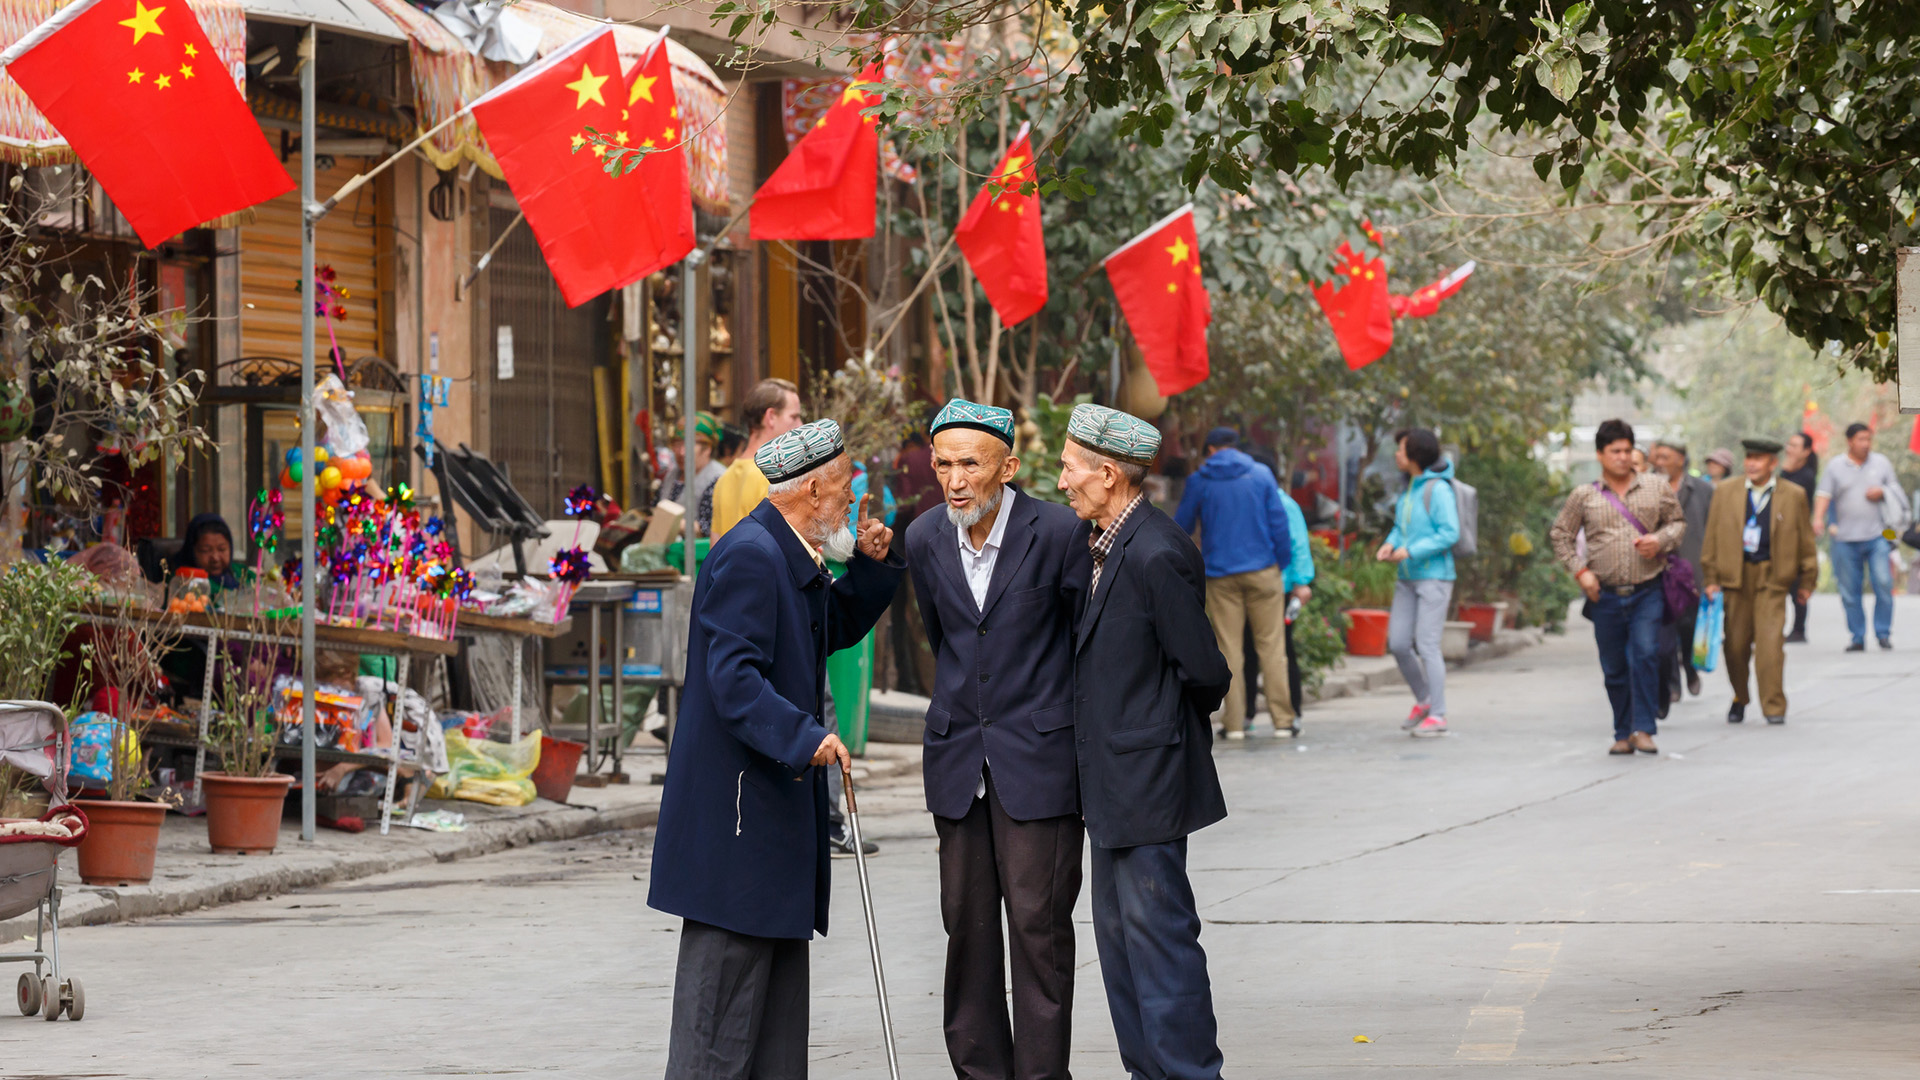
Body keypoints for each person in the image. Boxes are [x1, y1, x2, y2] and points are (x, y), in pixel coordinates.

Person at [649, 419, 903, 1080]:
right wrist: (806, 735)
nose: (851, 501)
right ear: (812, 489)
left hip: (771, 825)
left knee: (774, 1033)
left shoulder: (788, 553)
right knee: (720, 1029)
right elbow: (731, 677)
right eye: (845, 487)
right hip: (736, 827)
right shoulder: (751, 555)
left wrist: (872, 571)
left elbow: (824, 630)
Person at [905, 399, 1091, 1080]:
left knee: (1039, 932)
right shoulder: (924, 536)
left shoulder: (1061, 532)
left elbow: (1081, 641)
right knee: (967, 929)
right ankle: (979, 1072)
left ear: (1007, 468)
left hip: (1038, 763)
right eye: (944, 464)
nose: (955, 479)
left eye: (971, 465)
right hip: (958, 760)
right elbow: (944, 633)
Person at [1056, 403, 1231, 1080]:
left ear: (1108, 474)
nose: (1062, 480)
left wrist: (1154, 733)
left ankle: (1189, 1072)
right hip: (1110, 785)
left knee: (1160, 944)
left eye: (1071, 468)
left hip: (1149, 784)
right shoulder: (1101, 545)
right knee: (1121, 946)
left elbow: (1205, 671)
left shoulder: (1158, 553)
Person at [1549, 420, 1684, 755]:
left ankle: (1644, 728)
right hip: (1604, 594)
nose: (1623, 457)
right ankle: (1622, 732)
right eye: (1615, 451)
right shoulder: (1584, 496)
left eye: (1627, 450)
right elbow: (1560, 536)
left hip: (1647, 589)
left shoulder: (1655, 487)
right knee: (1614, 666)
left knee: (1646, 654)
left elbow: (1677, 523)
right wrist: (1580, 572)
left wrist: (1660, 539)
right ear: (1600, 455)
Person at [1173, 427, 1294, 739]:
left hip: (1221, 574)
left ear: (1211, 449)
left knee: (1230, 650)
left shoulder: (1200, 480)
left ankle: (1235, 724)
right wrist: (1280, 563)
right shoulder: (1262, 474)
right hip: (1263, 569)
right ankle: (1283, 721)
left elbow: (1182, 526)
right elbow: (1279, 522)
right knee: (1272, 646)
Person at [1700, 437, 1816, 724]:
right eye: (1749, 457)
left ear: (1772, 463)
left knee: (1770, 645)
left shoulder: (1793, 494)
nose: (1751, 463)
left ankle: (1774, 706)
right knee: (1735, 646)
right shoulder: (1726, 491)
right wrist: (1711, 578)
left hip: (1772, 578)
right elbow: (1711, 537)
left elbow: (1805, 540)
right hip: (1735, 577)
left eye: (1759, 458)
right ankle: (1740, 696)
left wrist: (1807, 581)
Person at [1378, 428, 1459, 738]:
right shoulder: (1410, 488)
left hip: (1434, 578)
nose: (1397, 455)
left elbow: (1449, 532)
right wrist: (1390, 543)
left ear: (1415, 455)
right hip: (1407, 577)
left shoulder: (1437, 490)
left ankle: (1438, 714)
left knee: (1426, 644)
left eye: (1401, 450)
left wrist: (1410, 550)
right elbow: (1401, 528)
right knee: (1398, 643)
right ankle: (1425, 700)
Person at [1813, 422, 1906, 651]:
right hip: (1844, 538)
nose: (1866, 444)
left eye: (1868, 439)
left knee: (1884, 582)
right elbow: (1824, 494)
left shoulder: (1881, 463)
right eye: (1861, 439)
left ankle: (1883, 633)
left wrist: (1882, 491)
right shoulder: (1835, 466)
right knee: (1849, 590)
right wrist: (1818, 519)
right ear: (1850, 441)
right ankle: (1857, 636)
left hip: (1880, 535)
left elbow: (1897, 495)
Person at [1651, 441, 1713, 709]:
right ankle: (1672, 683)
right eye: (1657, 457)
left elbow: (1714, 530)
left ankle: (1690, 666)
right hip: (1659, 568)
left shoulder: (1703, 490)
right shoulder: (1647, 487)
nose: (1660, 462)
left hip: (1691, 570)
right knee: (1664, 633)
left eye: (1666, 457)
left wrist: (1712, 573)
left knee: (1688, 626)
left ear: (1681, 459)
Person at [710, 378, 804, 540]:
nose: (800, 425)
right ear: (771, 416)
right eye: (793, 417)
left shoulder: (724, 479)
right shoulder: (775, 478)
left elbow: (715, 546)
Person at [1779, 431, 1819, 643]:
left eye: (1795, 446)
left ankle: (1799, 629)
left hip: (1796, 538)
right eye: (1789, 444)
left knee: (1797, 584)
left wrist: (1785, 470)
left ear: (1805, 451)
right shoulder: (1789, 473)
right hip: (1783, 536)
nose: (1789, 449)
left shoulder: (1805, 476)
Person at [666, 412, 726, 537]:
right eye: (677, 444)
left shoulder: (718, 479)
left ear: (707, 449)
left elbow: (710, 528)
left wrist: (670, 523)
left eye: (688, 445)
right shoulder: (672, 474)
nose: (681, 452)